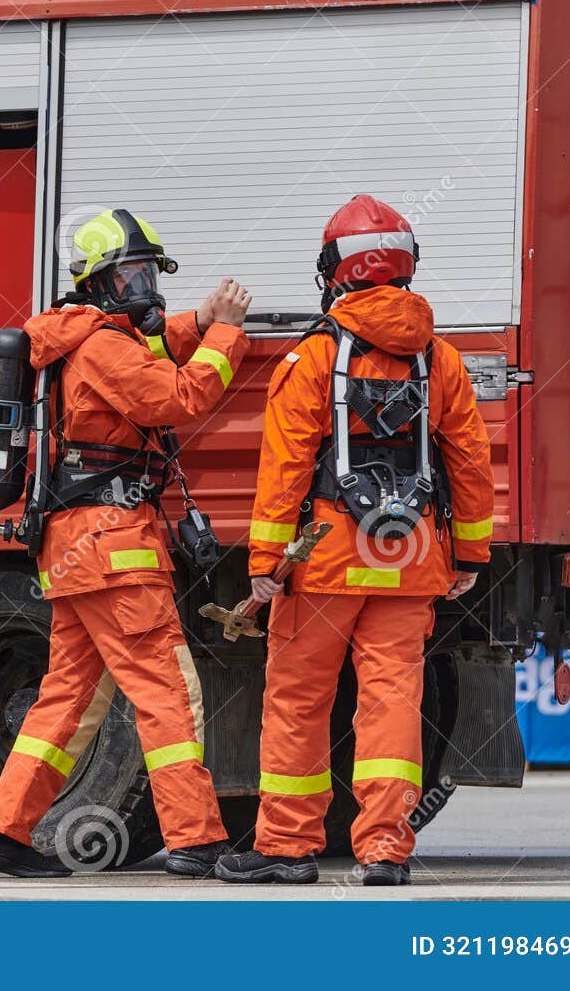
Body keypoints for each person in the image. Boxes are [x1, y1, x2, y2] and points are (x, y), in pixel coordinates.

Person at [0, 207, 251, 879]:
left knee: (68, 698)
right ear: (96, 283)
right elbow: (175, 398)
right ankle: (196, 839)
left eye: (148, 273)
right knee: (167, 692)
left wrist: (200, 322)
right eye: (129, 276)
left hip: (80, 551)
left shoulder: (83, 337)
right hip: (115, 551)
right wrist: (227, 335)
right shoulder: (102, 346)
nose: (143, 287)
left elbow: (150, 349)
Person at [215, 195, 493, 888]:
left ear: (334, 270)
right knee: (393, 702)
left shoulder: (313, 357)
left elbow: (284, 468)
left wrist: (266, 562)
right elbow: (469, 463)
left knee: (298, 701)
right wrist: (469, 555)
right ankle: (385, 850)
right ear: (407, 266)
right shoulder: (442, 360)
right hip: (410, 560)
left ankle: (287, 848)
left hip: (324, 561)